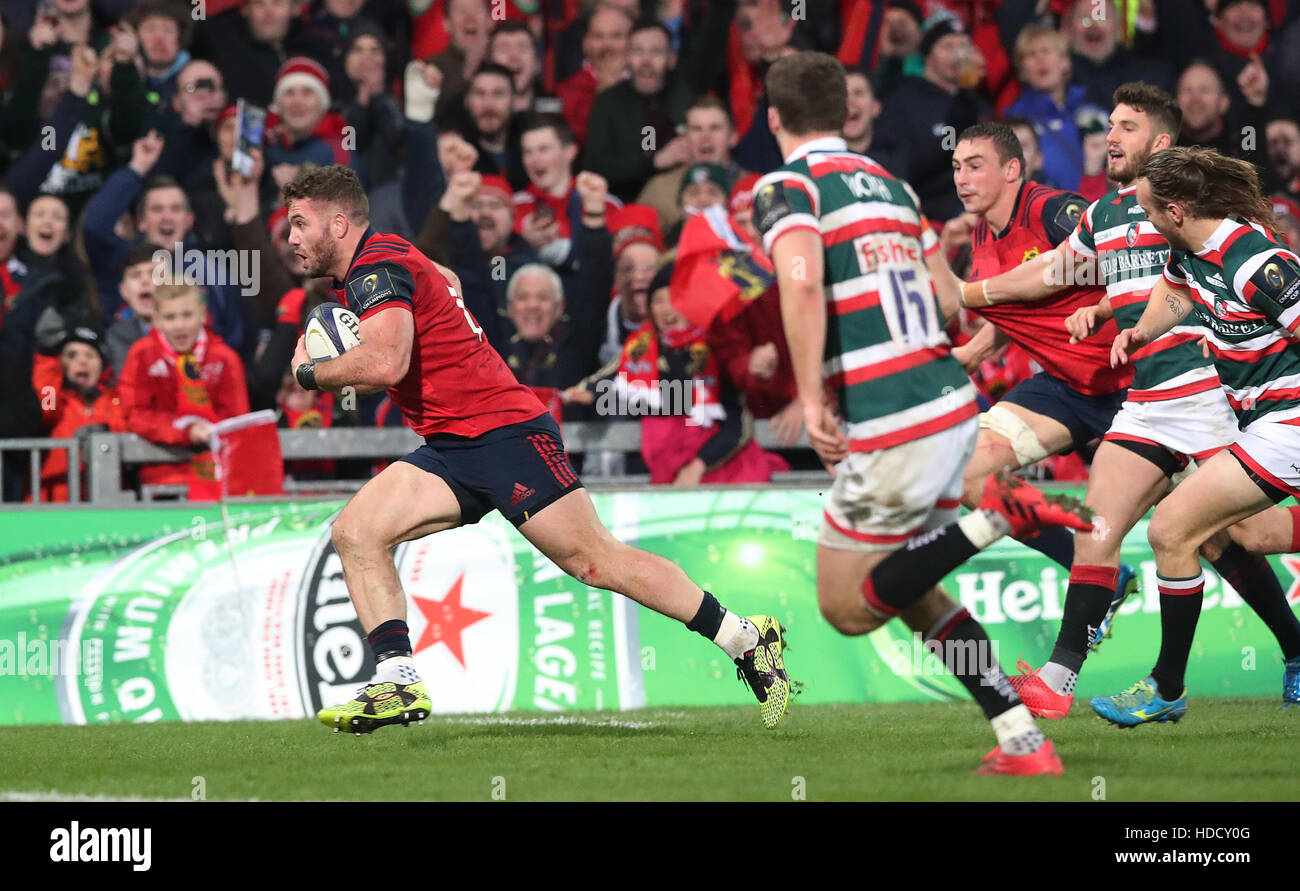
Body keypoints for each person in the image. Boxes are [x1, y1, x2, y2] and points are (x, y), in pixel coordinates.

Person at [281, 165, 793, 732]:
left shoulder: (377, 265)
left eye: (300, 223)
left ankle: (744, 637)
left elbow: (384, 364)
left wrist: (310, 372)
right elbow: (444, 275)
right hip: (452, 443)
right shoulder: (389, 256)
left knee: (597, 562)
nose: (292, 238)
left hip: (505, 434)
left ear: (338, 221)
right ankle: (397, 682)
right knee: (356, 530)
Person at [756, 51, 1092, 775]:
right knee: (912, 589)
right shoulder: (893, 184)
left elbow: (804, 284)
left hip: (892, 418)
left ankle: (994, 516)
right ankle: (1021, 738)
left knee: (846, 606)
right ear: (848, 112)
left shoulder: (788, 186)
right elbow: (946, 300)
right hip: (947, 400)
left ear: (774, 117)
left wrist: (814, 396)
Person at [968, 84, 1300, 719]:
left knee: (1232, 537)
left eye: (1125, 126)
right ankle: (1062, 681)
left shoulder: (1215, 226)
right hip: (1147, 399)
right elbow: (1107, 277)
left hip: (1214, 398)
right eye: (1110, 125)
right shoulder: (1105, 213)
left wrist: (969, 293)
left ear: (1162, 144)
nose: (1110, 137)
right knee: (1106, 527)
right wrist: (1106, 312)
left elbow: (1226, 282)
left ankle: (1287, 650)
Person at [1089, 146, 1300, 722]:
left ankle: (1166, 689)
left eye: (1150, 210)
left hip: (1289, 422)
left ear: (1177, 210)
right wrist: (1139, 334)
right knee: (1243, 538)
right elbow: (1177, 291)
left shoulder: (1254, 259)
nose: (1145, 220)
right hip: (1259, 423)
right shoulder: (1191, 250)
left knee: (1171, 531)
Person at [951, 122, 1129, 574]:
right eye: (956, 168)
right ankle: (1088, 568)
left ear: (1012, 169)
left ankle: (1291, 640)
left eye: (975, 166)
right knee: (966, 474)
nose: (961, 179)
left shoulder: (1055, 210)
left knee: (1223, 531)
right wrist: (973, 353)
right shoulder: (980, 237)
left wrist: (965, 295)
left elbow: (1123, 263)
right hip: (1067, 387)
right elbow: (1021, 302)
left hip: (1136, 383)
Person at [117, 281, 249, 493]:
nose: (179, 325)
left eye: (187, 315)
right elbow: (134, 413)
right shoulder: (141, 355)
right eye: (170, 317)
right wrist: (184, 432)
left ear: (202, 314)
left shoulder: (225, 359)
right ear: (157, 319)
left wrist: (210, 431)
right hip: (161, 478)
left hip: (219, 475)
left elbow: (237, 418)